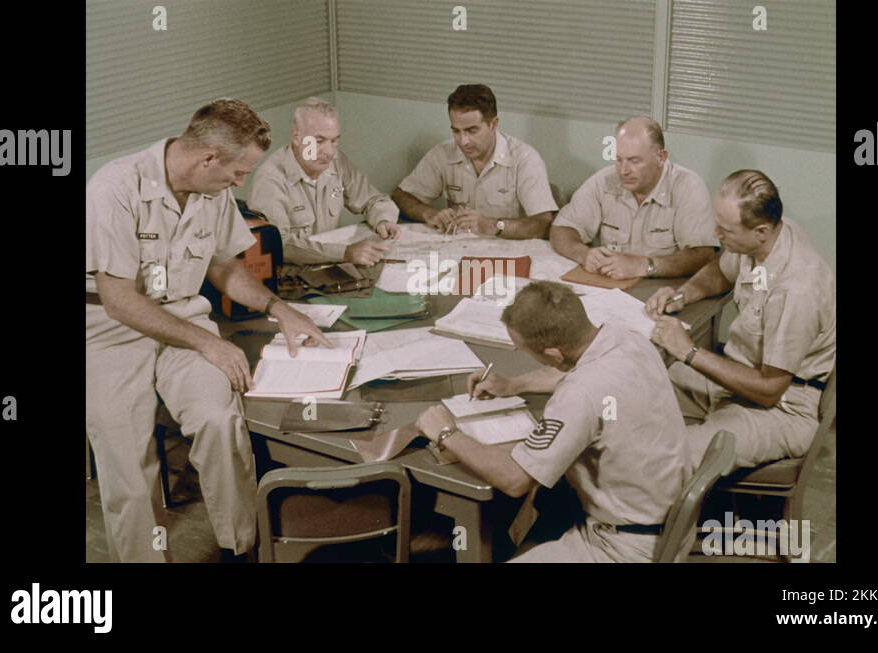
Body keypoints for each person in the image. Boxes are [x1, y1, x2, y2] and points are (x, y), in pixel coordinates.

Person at [86, 98, 331, 562]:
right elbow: (119, 300)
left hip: (183, 319)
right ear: (207, 158)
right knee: (130, 474)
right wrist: (210, 345)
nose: (241, 184)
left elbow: (224, 268)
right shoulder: (115, 188)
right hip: (109, 328)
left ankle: (240, 549)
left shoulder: (212, 192)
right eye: (238, 173)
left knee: (220, 422)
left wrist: (280, 308)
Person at [415, 281, 688, 562]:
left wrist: (446, 432)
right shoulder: (624, 336)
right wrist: (513, 385)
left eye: (527, 350)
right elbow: (578, 371)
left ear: (554, 353)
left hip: (625, 548)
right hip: (664, 519)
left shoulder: (579, 395)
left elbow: (514, 479)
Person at [646, 170, 835, 473]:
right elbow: (722, 272)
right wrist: (682, 295)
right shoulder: (764, 239)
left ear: (760, 230)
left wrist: (689, 352)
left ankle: (634, 517)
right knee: (634, 385)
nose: (716, 235)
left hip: (782, 408)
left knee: (671, 458)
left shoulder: (797, 289)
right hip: (734, 380)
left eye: (725, 231)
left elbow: (770, 388)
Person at [550, 117, 717, 279]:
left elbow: (702, 254)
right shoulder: (604, 181)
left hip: (662, 290)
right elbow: (561, 229)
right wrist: (584, 254)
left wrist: (644, 266)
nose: (624, 171)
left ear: (661, 157)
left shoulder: (688, 186)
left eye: (634, 161)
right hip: (610, 288)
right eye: (618, 160)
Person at [391, 84, 558, 239]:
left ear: (493, 124)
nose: (463, 141)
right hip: (458, 248)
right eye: (456, 131)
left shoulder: (525, 158)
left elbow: (544, 224)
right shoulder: (442, 154)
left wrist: (493, 225)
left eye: (472, 131)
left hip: (507, 254)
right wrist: (429, 213)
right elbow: (400, 197)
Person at [247, 97, 400, 266]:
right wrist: (345, 253)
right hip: (292, 277)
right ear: (296, 137)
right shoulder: (270, 179)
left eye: (334, 140)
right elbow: (278, 245)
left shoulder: (336, 161)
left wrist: (383, 220)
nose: (329, 152)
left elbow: (373, 200)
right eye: (319, 141)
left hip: (334, 266)